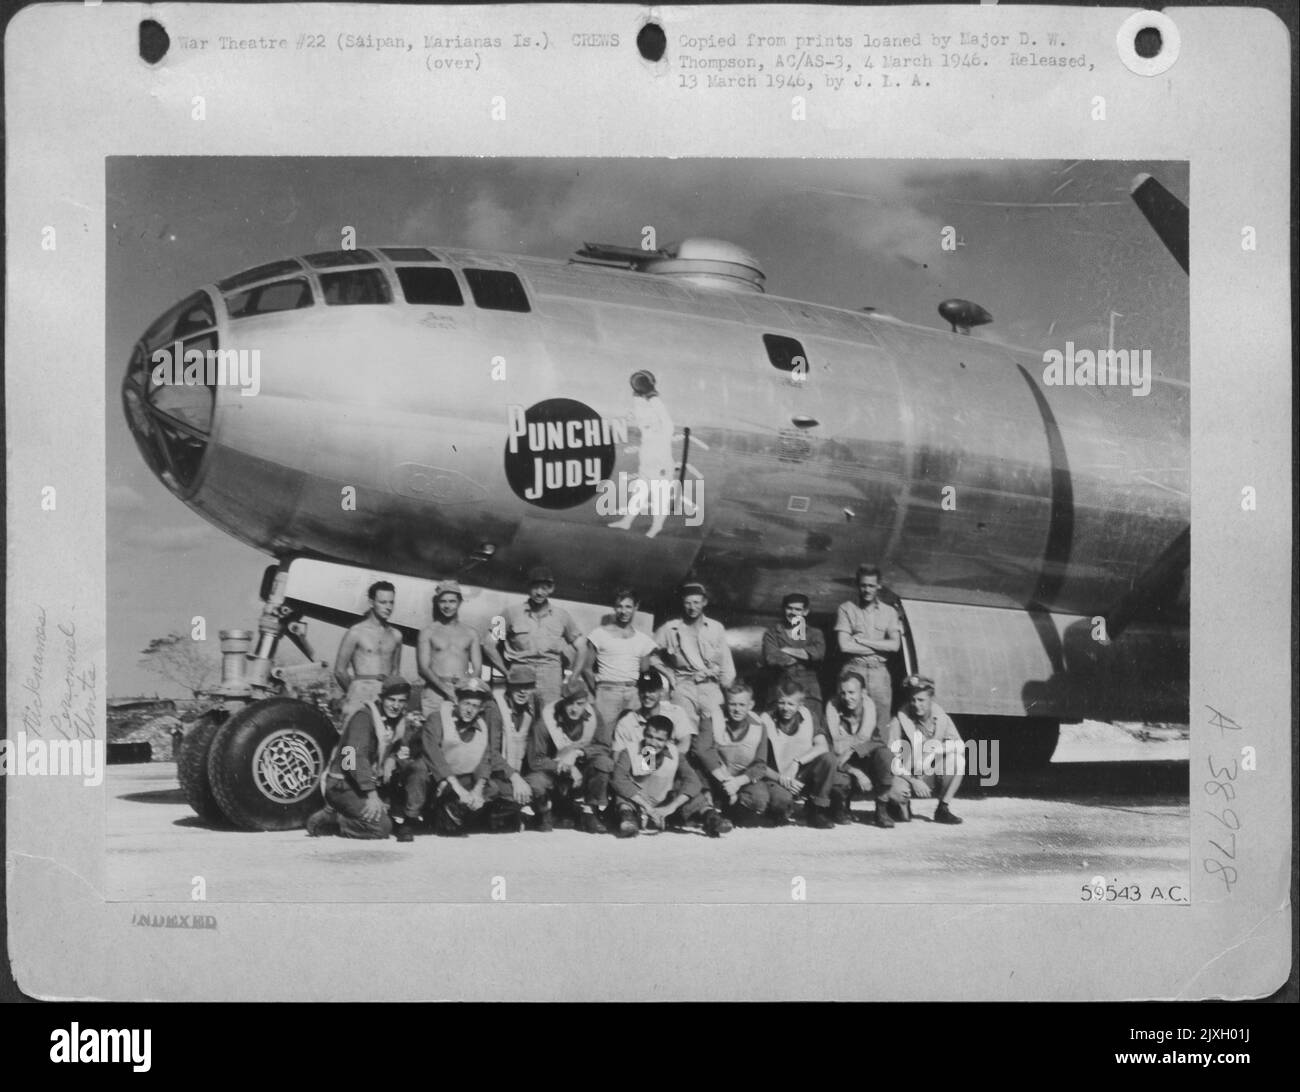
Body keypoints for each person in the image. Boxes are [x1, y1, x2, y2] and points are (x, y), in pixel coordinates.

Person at [404, 677, 525, 837]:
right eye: (466, 703)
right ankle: (410, 819)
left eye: (475, 706)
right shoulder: (437, 719)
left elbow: (485, 760)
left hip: (458, 780)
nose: (470, 710)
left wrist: (477, 791)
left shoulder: (481, 726)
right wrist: (458, 789)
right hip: (434, 778)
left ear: (481, 708)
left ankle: (449, 815)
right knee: (418, 768)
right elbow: (434, 755)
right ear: (457, 701)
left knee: (492, 789)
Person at [307, 675, 414, 840]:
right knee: (381, 828)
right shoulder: (364, 717)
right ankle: (333, 821)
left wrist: (391, 758)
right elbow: (351, 758)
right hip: (343, 783)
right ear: (381, 698)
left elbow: (394, 745)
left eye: (401, 701)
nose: (396, 706)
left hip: (364, 782)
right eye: (391, 700)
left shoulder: (396, 720)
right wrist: (371, 795)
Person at [610, 714, 731, 838]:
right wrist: (646, 806)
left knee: (688, 789)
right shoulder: (631, 750)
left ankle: (711, 818)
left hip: (663, 802)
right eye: (649, 736)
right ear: (644, 734)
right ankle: (628, 819)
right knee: (621, 793)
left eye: (659, 739)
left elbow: (693, 782)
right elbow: (618, 778)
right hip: (638, 799)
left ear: (668, 741)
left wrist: (670, 807)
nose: (653, 743)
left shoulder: (675, 753)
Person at [525, 680, 614, 833]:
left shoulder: (594, 715)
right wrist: (565, 766)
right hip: (555, 773)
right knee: (536, 780)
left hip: (584, 773)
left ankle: (593, 811)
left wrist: (579, 753)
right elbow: (535, 759)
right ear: (562, 701)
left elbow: (605, 747)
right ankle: (546, 811)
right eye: (569, 703)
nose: (574, 709)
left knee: (605, 763)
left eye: (579, 704)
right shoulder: (546, 720)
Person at [491, 566, 582, 707]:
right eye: (535, 587)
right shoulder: (509, 613)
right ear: (528, 588)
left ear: (552, 589)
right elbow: (488, 643)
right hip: (520, 674)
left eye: (544, 588)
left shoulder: (562, 616)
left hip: (550, 678)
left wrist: (574, 677)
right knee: (518, 718)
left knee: (548, 719)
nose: (539, 593)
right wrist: (506, 671)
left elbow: (582, 646)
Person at [824, 669, 904, 828]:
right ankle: (841, 807)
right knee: (835, 771)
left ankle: (881, 809)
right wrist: (856, 772)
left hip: (867, 761)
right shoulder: (832, 711)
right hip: (844, 765)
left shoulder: (876, 710)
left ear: (863, 692)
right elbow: (832, 749)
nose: (847, 698)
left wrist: (853, 748)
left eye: (852, 692)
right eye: (843, 693)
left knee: (885, 755)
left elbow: (880, 741)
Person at [693, 681, 777, 827]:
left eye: (742, 705)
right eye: (733, 704)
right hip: (715, 776)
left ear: (750, 705)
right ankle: (709, 809)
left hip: (738, 777)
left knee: (760, 799)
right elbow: (700, 749)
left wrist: (737, 783)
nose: (737, 709)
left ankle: (728, 809)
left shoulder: (759, 726)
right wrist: (725, 781)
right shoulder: (712, 718)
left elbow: (760, 765)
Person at [653, 581, 735, 730]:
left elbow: (726, 663)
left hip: (710, 686)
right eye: (687, 603)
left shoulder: (716, 628)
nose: (692, 608)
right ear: (682, 604)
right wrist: (667, 673)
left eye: (696, 602)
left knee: (715, 730)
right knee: (682, 731)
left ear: (704, 602)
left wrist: (728, 692)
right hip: (683, 685)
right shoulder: (670, 628)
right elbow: (650, 653)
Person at [574, 588, 658, 729]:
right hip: (607, 691)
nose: (623, 611)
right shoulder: (599, 634)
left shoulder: (643, 639)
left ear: (636, 607)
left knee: (634, 735)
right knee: (604, 735)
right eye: (619, 606)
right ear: (614, 607)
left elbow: (644, 672)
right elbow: (587, 668)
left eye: (628, 607)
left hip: (633, 694)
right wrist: (599, 691)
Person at [761, 677, 838, 829]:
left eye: (791, 704)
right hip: (776, 776)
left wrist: (797, 763)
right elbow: (759, 763)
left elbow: (822, 746)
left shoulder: (808, 716)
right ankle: (775, 809)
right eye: (781, 702)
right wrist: (782, 779)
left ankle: (816, 809)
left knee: (828, 759)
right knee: (781, 803)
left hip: (801, 773)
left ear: (800, 705)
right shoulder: (766, 720)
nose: (785, 708)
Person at [608, 370, 677, 538]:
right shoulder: (646, 427)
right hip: (646, 464)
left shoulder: (665, 428)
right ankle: (626, 522)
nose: (646, 421)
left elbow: (659, 411)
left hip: (661, 467)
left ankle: (656, 527)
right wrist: (638, 392)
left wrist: (651, 394)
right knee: (638, 494)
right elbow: (640, 409)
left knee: (660, 499)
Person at [834, 564, 901, 733]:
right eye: (863, 585)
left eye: (871, 585)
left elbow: (895, 645)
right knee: (850, 718)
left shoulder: (889, 612)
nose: (867, 590)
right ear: (858, 585)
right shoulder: (846, 608)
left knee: (881, 721)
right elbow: (845, 645)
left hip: (880, 673)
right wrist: (881, 647)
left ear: (879, 586)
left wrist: (863, 641)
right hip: (854, 670)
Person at [889, 675, 965, 825]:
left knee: (957, 761)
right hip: (905, 774)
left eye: (921, 700)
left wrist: (936, 749)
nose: (916, 704)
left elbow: (959, 745)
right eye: (912, 700)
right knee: (899, 803)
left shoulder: (942, 719)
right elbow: (892, 761)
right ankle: (900, 805)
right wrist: (913, 781)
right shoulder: (899, 721)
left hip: (927, 771)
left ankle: (943, 808)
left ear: (931, 699)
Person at [332, 581, 403, 725]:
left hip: (385, 697)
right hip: (360, 693)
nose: (388, 607)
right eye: (383, 602)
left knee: (383, 741)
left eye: (391, 603)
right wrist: (355, 690)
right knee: (352, 744)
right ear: (371, 602)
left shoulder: (396, 635)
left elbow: (395, 670)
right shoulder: (356, 632)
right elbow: (340, 670)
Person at [416, 580, 482, 719]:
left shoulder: (471, 633)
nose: (447, 606)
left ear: (459, 602)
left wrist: (465, 688)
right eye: (443, 601)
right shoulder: (428, 632)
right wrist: (446, 689)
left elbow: (477, 669)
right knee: (432, 734)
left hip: (462, 692)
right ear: (437, 603)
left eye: (452, 601)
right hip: (435, 693)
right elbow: (423, 668)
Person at [760, 592, 826, 705]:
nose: (793, 613)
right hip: (780, 688)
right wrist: (805, 655)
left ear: (805, 612)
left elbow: (818, 653)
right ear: (783, 609)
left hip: (808, 690)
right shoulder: (772, 633)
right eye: (789, 608)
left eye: (797, 609)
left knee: (811, 719)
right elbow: (772, 658)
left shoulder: (814, 633)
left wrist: (786, 650)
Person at [612, 669, 696, 757]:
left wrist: (663, 762)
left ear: (662, 692)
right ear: (638, 692)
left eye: (651, 690)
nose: (647, 694)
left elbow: (685, 744)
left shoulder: (675, 712)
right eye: (643, 690)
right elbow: (617, 754)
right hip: (637, 767)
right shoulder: (627, 721)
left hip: (669, 764)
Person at [486, 664, 543, 786]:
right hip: (496, 774)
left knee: (541, 784)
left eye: (527, 686)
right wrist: (514, 777)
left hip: (519, 773)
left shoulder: (532, 710)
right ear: (509, 687)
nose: (523, 691)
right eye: (518, 686)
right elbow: (491, 753)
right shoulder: (495, 707)